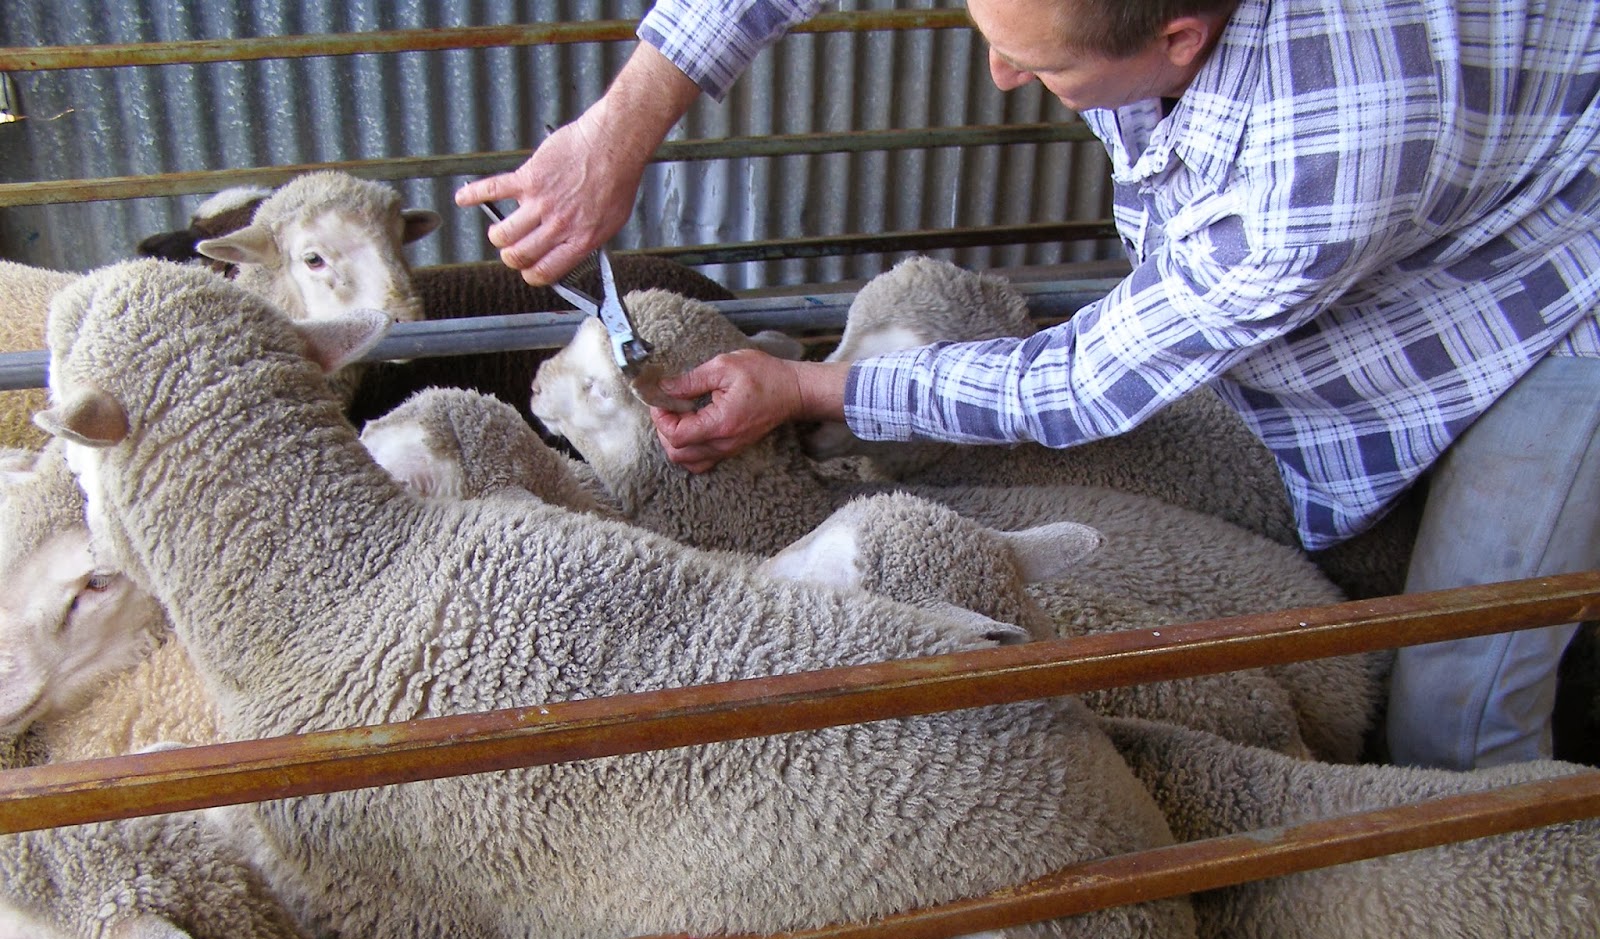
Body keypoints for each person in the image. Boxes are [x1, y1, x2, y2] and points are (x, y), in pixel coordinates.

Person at [457, 0, 1600, 771]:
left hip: (1563, 266)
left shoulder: (1322, 155)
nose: (998, 72)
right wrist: (617, 129)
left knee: (1461, 678)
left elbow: (1081, 384)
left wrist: (814, 391)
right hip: (1439, 168)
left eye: (1042, 64)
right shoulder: (1206, 90)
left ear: (1181, 39)